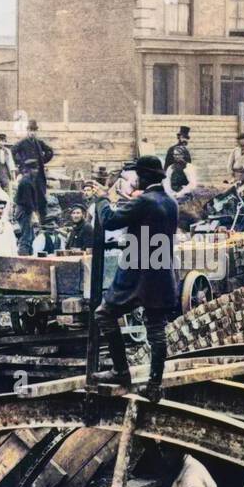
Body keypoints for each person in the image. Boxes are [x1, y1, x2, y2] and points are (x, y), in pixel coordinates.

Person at [87, 155, 179, 403]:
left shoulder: (145, 202)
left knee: (104, 315)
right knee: (156, 328)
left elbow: (109, 220)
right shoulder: (170, 203)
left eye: (136, 175)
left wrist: (102, 198)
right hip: (161, 273)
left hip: (137, 273)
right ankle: (155, 384)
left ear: (143, 177)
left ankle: (120, 371)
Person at [12, 119, 54, 204]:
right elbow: (12, 152)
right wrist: (21, 163)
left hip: (39, 172)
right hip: (27, 171)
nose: (32, 133)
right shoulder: (22, 142)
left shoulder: (39, 142)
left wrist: (43, 161)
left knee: (40, 192)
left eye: (34, 131)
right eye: (30, 130)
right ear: (27, 130)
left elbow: (50, 151)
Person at [14, 158, 43, 255]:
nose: (36, 171)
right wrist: (33, 213)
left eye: (37, 169)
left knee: (30, 235)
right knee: (26, 236)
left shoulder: (29, 180)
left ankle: (29, 254)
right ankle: (23, 256)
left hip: (26, 210)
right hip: (25, 211)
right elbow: (28, 201)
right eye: (34, 169)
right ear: (29, 170)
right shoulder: (26, 182)